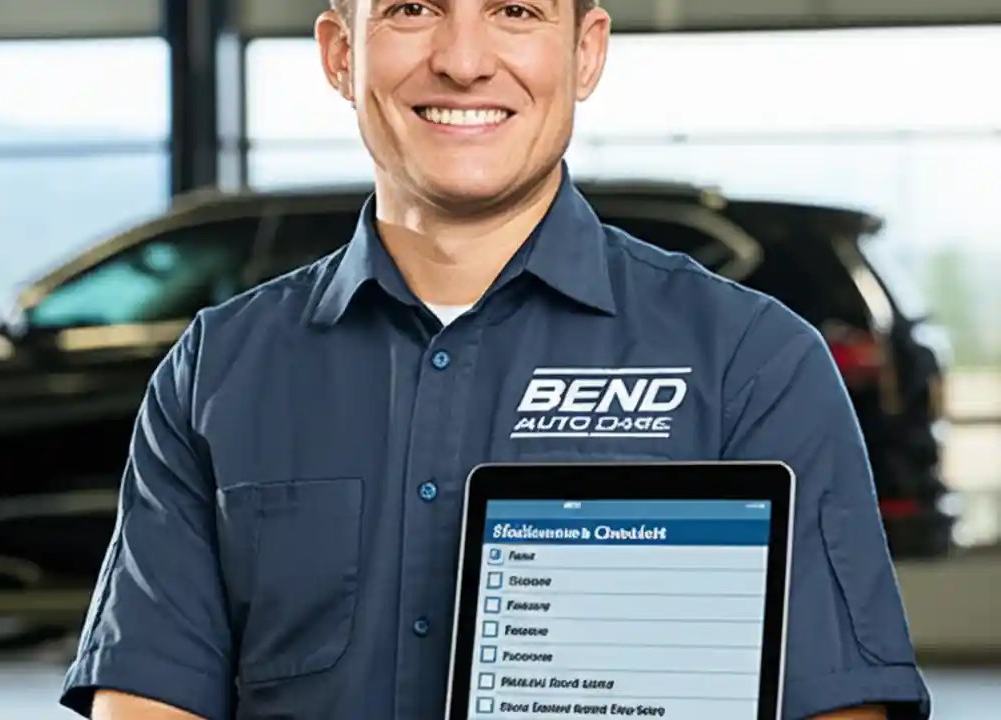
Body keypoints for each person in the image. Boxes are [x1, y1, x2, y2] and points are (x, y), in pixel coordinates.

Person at [59, 1, 933, 718]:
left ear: (586, 52)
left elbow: (837, 702)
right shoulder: (218, 371)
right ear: (339, 54)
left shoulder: (752, 363)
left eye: (515, 11)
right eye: (412, 10)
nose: (464, 61)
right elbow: (148, 697)